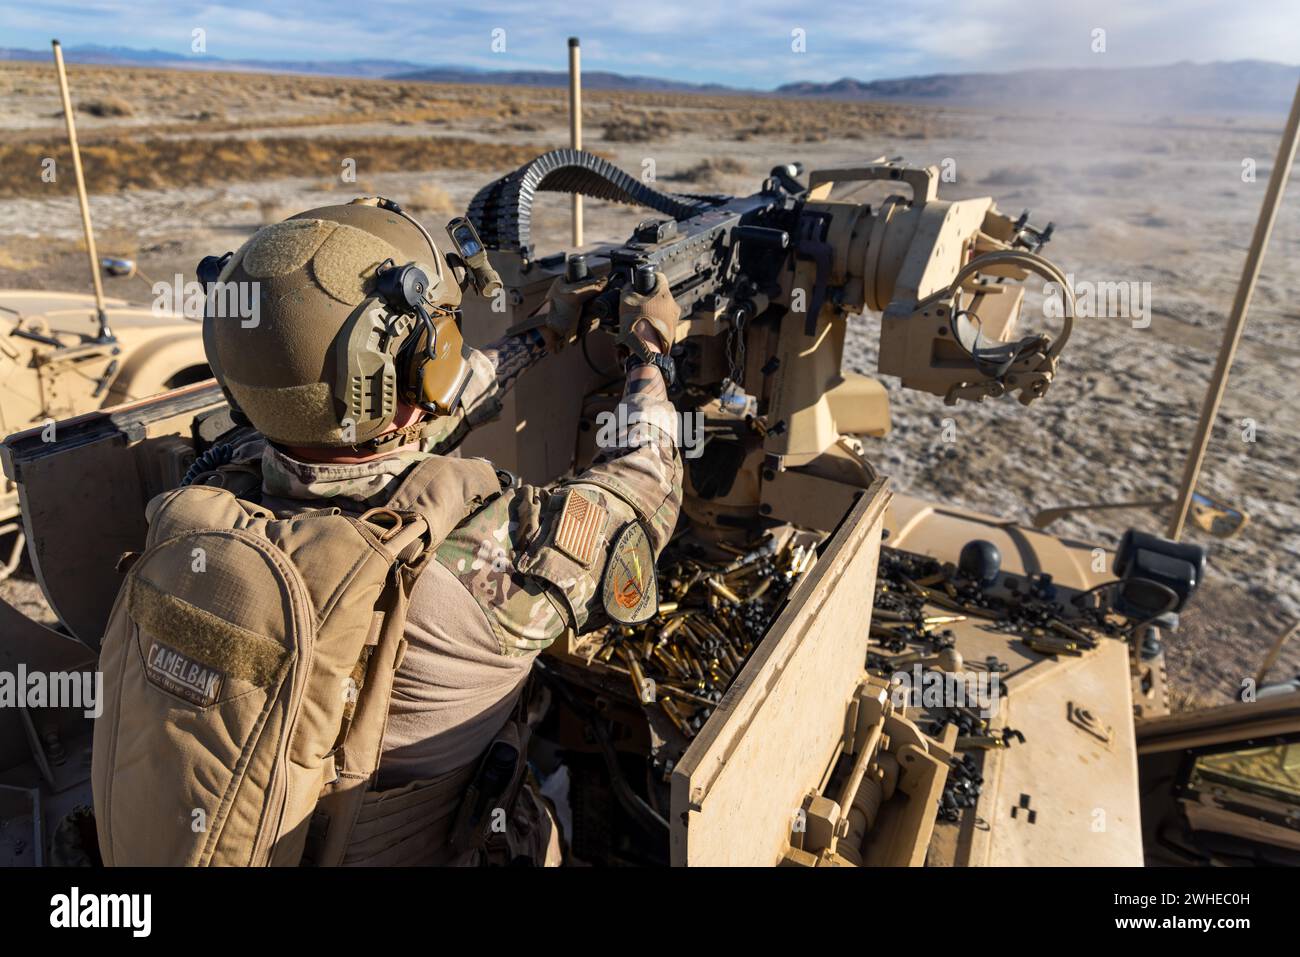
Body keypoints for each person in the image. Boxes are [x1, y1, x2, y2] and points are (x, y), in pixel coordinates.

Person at [97, 197, 682, 866]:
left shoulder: (210, 494)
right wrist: (650, 354)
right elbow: (643, 489)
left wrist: (542, 335)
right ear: (413, 369)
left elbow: (405, 415)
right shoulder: (477, 549)